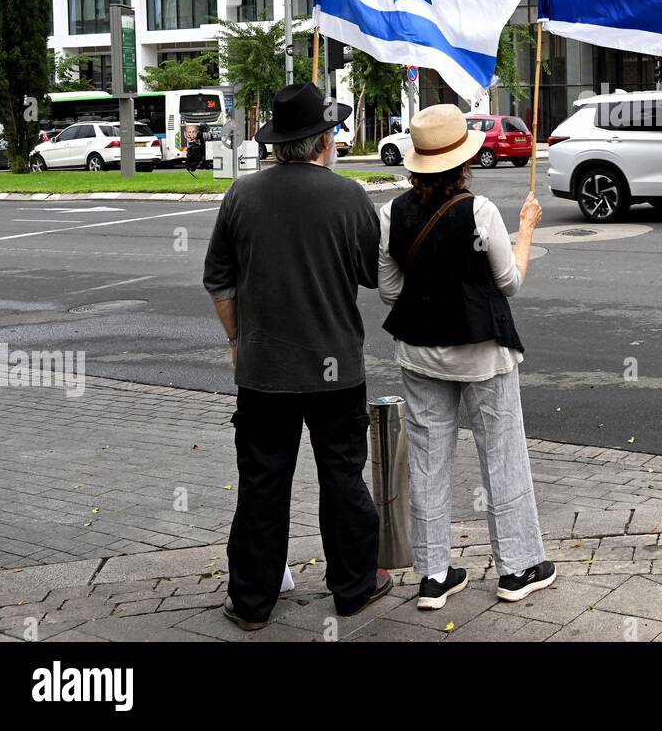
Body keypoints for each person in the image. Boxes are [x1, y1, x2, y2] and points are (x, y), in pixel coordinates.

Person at [203, 82, 386, 631]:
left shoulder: (241, 196)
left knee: (262, 484)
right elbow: (372, 276)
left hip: (263, 375)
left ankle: (253, 602)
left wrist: (237, 343)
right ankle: (354, 588)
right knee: (343, 479)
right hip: (337, 370)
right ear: (321, 141)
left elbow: (219, 281)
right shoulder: (350, 197)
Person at [378, 103, 555, 610]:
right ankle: (517, 569)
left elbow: (390, 292)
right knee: (501, 456)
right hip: (483, 353)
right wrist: (526, 229)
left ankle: (433, 576)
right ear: (464, 162)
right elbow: (509, 283)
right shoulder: (479, 212)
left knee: (429, 462)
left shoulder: (391, 213)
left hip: (419, 353)